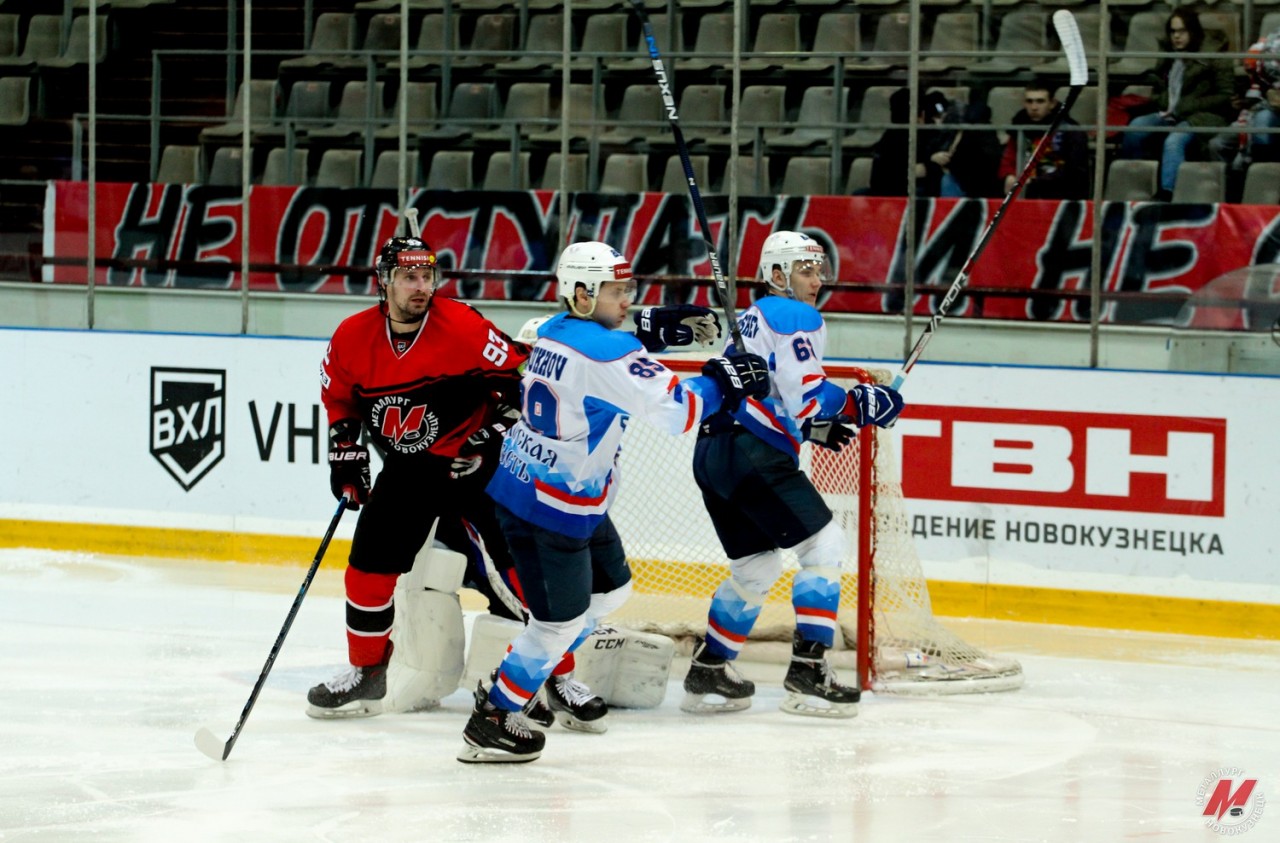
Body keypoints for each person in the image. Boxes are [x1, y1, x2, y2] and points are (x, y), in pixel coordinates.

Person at [458, 241, 770, 763]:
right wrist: (725, 378)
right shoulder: (609, 352)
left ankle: (528, 669)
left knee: (612, 588)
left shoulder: (553, 329)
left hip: (542, 492)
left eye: (629, 290)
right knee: (556, 625)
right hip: (552, 508)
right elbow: (678, 411)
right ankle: (492, 719)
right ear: (581, 293)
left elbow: (601, 355)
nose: (627, 300)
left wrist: (650, 328)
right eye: (616, 291)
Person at [307, 234, 532, 718]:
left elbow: (521, 380)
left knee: (518, 567)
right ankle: (368, 671)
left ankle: (558, 676)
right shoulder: (351, 337)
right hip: (412, 469)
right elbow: (339, 397)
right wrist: (344, 449)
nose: (421, 286)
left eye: (427, 275)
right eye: (409, 276)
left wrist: (486, 436)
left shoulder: (463, 327)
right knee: (366, 570)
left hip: (473, 465)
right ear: (384, 282)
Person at [683, 231, 905, 719]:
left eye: (820, 269)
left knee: (756, 568)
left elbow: (774, 394)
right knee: (823, 546)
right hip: (752, 452)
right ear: (777, 275)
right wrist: (861, 403)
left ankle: (709, 668)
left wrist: (816, 427)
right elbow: (808, 394)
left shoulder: (755, 316)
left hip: (713, 451)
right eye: (806, 269)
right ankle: (808, 670)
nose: (817, 280)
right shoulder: (796, 315)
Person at [1119, 7, 1235, 199]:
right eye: (1173, 31)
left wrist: (1186, 105)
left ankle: (1168, 193)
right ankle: (1134, 186)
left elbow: (1225, 96)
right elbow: (1159, 91)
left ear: (1193, 31)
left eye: (1182, 31)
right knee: (1136, 127)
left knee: (1175, 140)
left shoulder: (1214, 56)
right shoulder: (1169, 56)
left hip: (1204, 117)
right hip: (1170, 114)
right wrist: (1163, 101)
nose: (1176, 36)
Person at [997, 81, 1089, 201]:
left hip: (1059, 193)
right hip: (1026, 190)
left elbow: (1073, 170)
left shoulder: (1071, 131)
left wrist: (1035, 181)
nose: (1034, 107)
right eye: (1029, 101)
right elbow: (1009, 158)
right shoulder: (1019, 126)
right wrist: (1009, 175)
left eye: (1040, 101)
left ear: (1052, 103)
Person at [1209, 29, 1280, 179]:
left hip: (1269, 115)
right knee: (1217, 144)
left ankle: (1261, 180)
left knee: (1263, 121)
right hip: (1262, 108)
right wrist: (1245, 101)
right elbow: (1260, 91)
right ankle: (1232, 193)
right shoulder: (1269, 47)